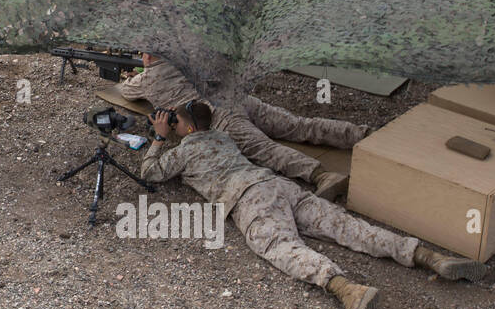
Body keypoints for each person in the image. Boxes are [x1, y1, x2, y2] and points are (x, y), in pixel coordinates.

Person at [138, 101, 487, 309]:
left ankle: (348, 290)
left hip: (248, 199)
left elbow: (151, 173)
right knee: (348, 227)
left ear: (184, 127)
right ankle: (429, 257)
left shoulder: (184, 150)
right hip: (277, 184)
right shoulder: (224, 137)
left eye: (176, 121)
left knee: (282, 247)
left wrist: (158, 137)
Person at [120, 52, 366, 201]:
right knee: (298, 126)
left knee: (268, 151)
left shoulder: (150, 78)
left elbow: (127, 91)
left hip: (219, 118)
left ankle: (321, 175)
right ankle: (360, 135)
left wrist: (134, 77)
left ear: (149, 57)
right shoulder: (189, 57)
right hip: (237, 99)